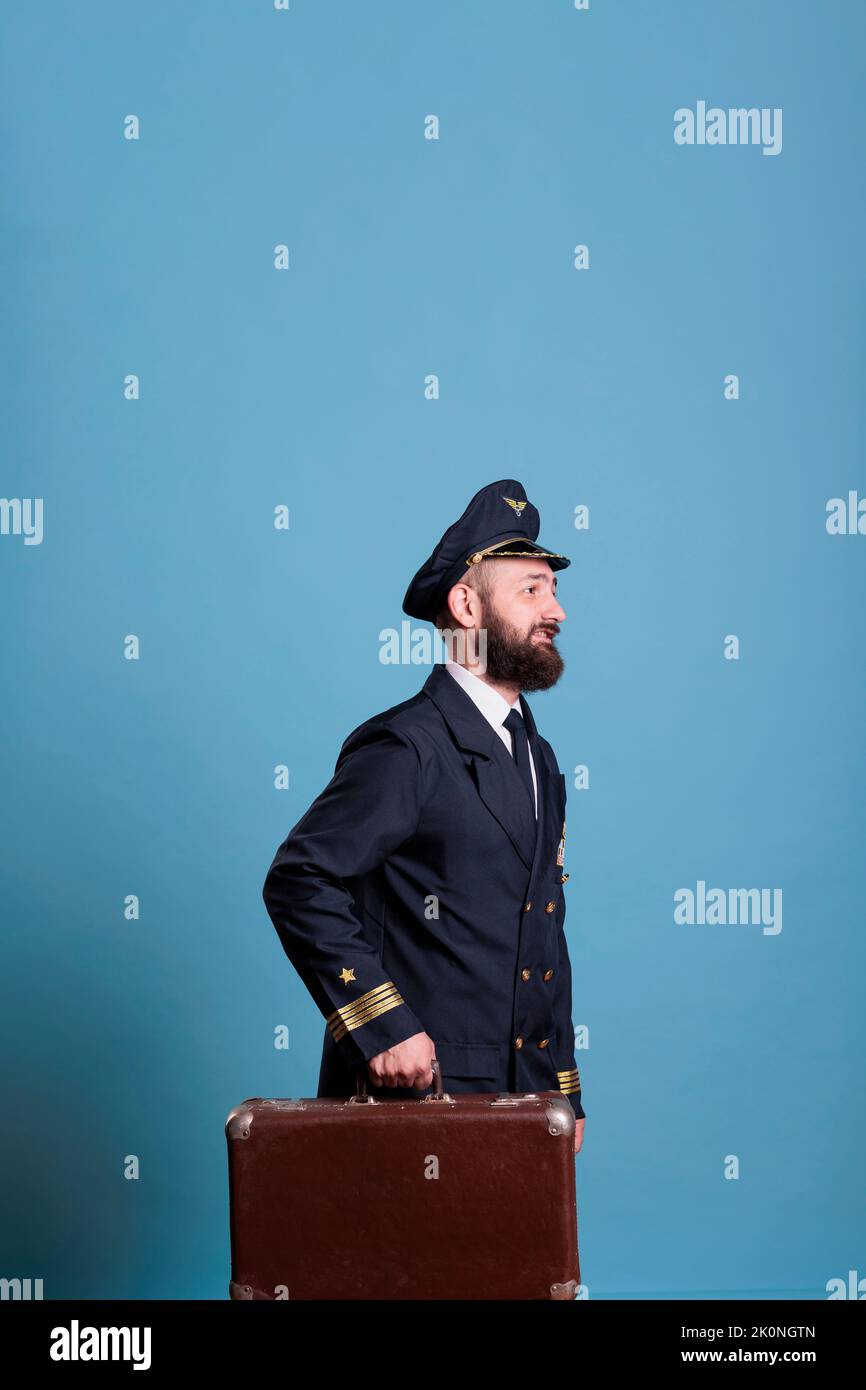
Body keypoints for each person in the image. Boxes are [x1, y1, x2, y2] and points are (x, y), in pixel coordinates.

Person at [261, 479, 585, 1154]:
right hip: (420, 1097)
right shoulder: (408, 745)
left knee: (522, 1266)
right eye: (531, 590)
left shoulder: (538, 754)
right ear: (467, 605)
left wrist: (564, 1090)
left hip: (523, 1095)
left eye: (553, 590)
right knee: (406, 1265)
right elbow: (300, 879)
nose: (554, 610)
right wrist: (382, 1026)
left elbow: (543, 932)